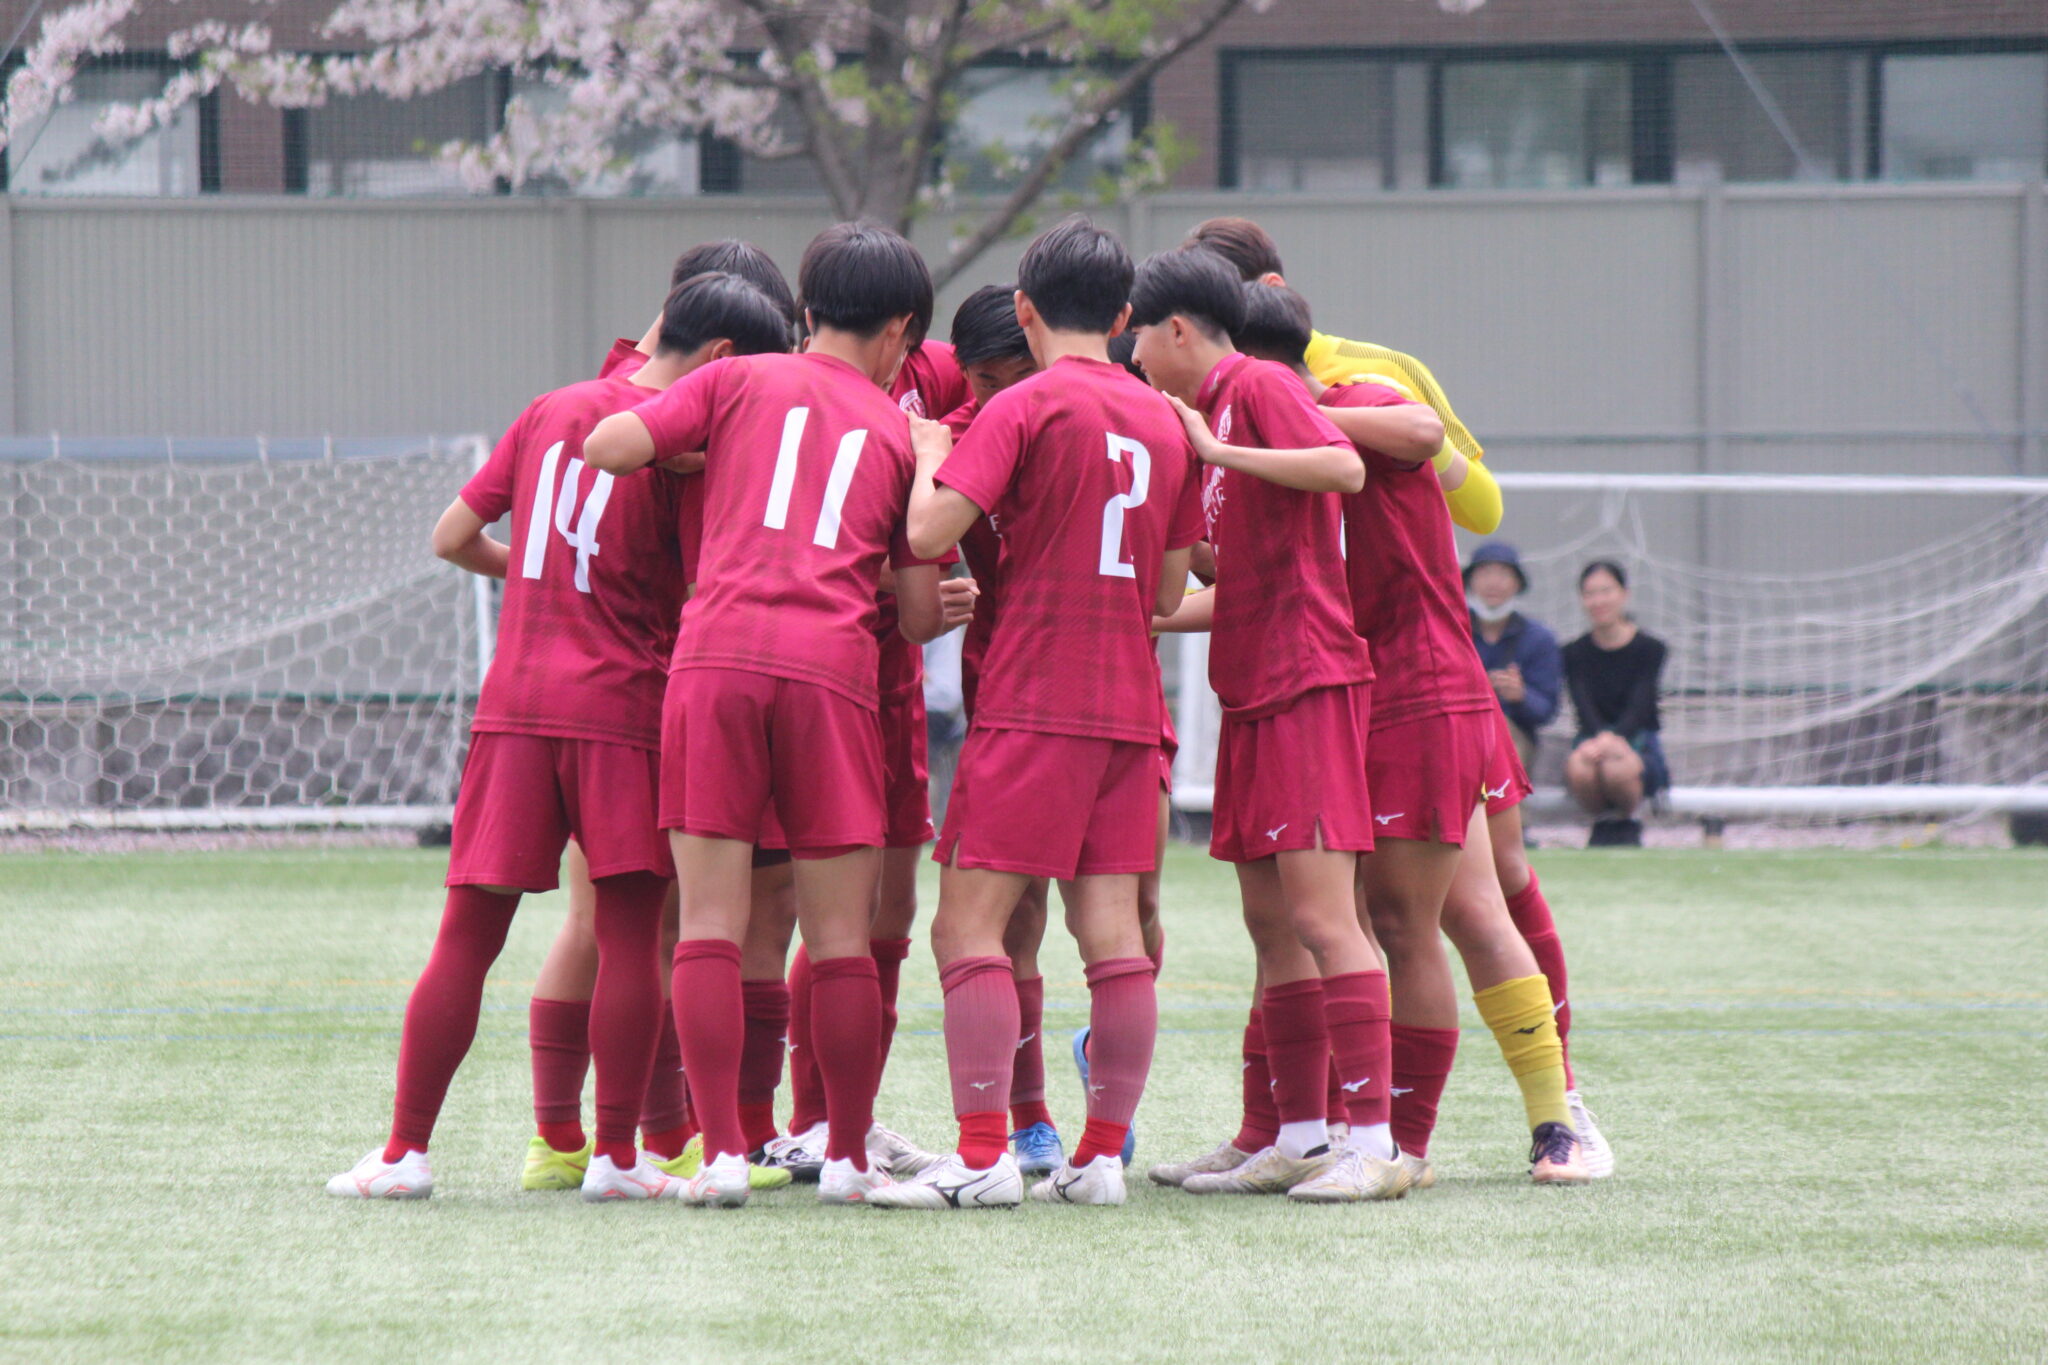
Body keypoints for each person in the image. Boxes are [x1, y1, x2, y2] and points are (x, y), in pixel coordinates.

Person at [326, 270, 794, 1203]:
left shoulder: (551, 409)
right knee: (628, 936)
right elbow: (715, 584)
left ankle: (404, 1153)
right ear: (723, 364)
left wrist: (538, 577)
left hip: (516, 704)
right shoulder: (682, 454)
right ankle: (617, 1159)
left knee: (468, 932)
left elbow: (453, 535)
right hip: (624, 711)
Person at [584, 221, 946, 1208]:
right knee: (839, 940)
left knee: (705, 923)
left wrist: (693, 456)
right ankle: (843, 1162)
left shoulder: (733, 381)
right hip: (829, 676)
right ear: (899, 330)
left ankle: (724, 1159)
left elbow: (608, 439)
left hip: (711, 664)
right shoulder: (891, 427)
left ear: (805, 308)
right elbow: (914, 616)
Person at [868, 216, 1201, 1210]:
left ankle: (982, 1159)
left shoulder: (1025, 404)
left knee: (966, 932)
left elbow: (928, 530)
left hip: (1032, 702)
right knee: (1114, 938)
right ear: (1126, 313)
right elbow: (1167, 592)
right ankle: (1099, 1160)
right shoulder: (1158, 418)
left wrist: (929, 450)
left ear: (1022, 309)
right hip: (1127, 706)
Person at [523, 237, 800, 1196]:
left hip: (576, 684)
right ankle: (651, 1138)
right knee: (661, 917)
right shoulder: (668, 417)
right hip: (656, 685)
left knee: (612, 915)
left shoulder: (596, 390)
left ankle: (568, 1140)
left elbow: (485, 535)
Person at [1138, 247, 1392, 1203]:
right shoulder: (1216, 416)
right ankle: (1299, 1135)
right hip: (1251, 689)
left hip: (1308, 683)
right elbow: (1237, 576)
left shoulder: (1254, 385)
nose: (1132, 355)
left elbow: (1343, 467)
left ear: (1175, 329)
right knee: (1271, 923)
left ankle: (1371, 1142)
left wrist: (1213, 450)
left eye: (1138, 334)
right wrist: (1144, 603)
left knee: (1328, 919)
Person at [1184, 216, 1502, 536]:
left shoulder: (1385, 371)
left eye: (1223, 321)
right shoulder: (1205, 401)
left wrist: (1410, 431)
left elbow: (1484, 513)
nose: (1212, 338)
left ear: (1272, 289)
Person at [1563, 561, 1669, 846]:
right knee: (1580, 766)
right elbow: (1582, 705)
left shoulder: (1651, 649)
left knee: (1616, 766)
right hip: (1592, 738)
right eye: (1590, 593)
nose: (1598, 601)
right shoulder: (1574, 653)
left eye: (1606, 591)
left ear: (1625, 593)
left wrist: (1615, 739)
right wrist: (1599, 740)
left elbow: (1641, 703)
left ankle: (1628, 818)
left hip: (1638, 739)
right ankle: (1604, 823)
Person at [1465, 541, 1563, 775]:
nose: (1493, 583)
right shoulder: (1451, 632)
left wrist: (1521, 696)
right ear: (1470, 581)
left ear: (1518, 583)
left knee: (1502, 739)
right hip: (1459, 731)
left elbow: (1547, 710)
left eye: (1503, 573)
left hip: (1514, 737)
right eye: (1485, 572)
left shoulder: (1539, 638)